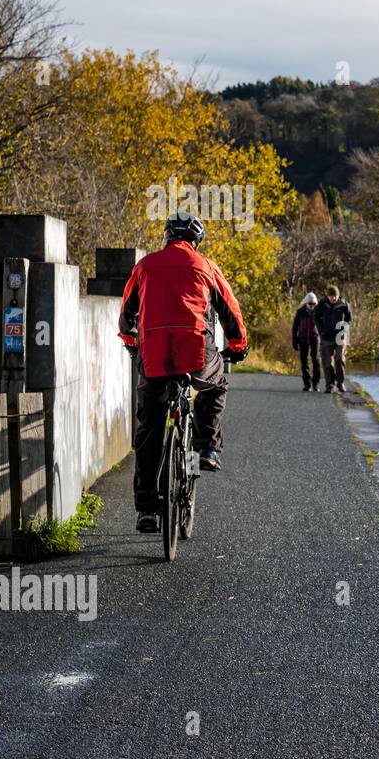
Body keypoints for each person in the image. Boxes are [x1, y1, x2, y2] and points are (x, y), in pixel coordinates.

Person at [119, 212, 249, 534]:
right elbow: (230, 311)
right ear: (196, 240)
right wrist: (238, 345)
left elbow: (126, 315)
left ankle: (147, 510)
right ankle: (206, 447)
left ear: (167, 237)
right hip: (196, 352)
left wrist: (131, 342)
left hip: (154, 355)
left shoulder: (145, 266)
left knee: (149, 430)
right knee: (216, 384)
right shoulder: (205, 266)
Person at [314, 284, 352, 393]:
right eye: (331, 296)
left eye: (335, 296)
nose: (333, 298)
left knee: (339, 358)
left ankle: (340, 383)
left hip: (340, 337)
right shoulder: (322, 304)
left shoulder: (344, 304)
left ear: (338, 295)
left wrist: (344, 328)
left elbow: (349, 318)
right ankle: (330, 385)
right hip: (326, 337)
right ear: (327, 296)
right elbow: (316, 317)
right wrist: (321, 330)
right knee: (327, 362)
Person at [291, 292, 321, 391]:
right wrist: (294, 340)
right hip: (303, 339)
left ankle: (316, 383)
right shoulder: (300, 312)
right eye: (310, 304)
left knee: (316, 360)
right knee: (304, 362)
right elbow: (295, 327)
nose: (312, 306)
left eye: (314, 304)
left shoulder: (319, 312)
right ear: (306, 303)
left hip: (314, 339)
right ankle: (307, 383)